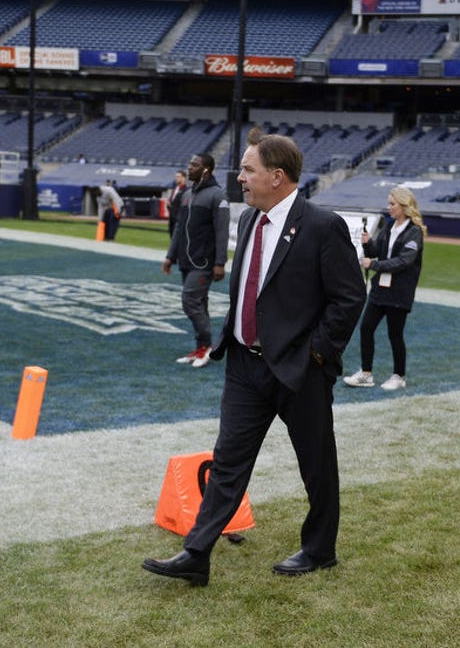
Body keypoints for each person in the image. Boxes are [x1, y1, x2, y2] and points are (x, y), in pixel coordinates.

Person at [142, 133, 366, 586]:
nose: (240, 178)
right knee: (228, 461)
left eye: (248, 170)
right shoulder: (249, 220)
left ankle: (320, 549)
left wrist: (317, 354)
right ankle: (196, 554)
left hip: (299, 369)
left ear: (276, 177)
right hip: (245, 364)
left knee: (317, 465)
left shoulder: (322, 226)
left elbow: (348, 299)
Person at [343, 186, 426, 392]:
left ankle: (399, 376)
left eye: (392, 204)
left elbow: (403, 262)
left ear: (404, 206)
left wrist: (374, 265)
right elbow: (377, 251)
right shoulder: (389, 226)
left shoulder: (414, 232)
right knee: (366, 328)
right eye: (388, 203)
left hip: (399, 292)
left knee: (394, 334)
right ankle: (366, 373)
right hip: (380, 289)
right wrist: (367, 243)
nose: (388, 208)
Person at [162, 155, 228, 368]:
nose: (190, 168)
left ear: (206, 170)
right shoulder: (187, 194)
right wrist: (170, 256)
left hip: (205, 263)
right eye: (190, 164)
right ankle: (201, 347)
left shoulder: (217, 195)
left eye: (194, 165)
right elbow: (179, 228)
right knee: (200, 303)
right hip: (185, 261)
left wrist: (220, 262)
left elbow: (222, 231)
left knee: (190, 300)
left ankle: (208, 346)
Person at [167, 170, 188, 238]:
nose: (176, 178)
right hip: (172, 217)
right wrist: (169, 203)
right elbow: (172, 202)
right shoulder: (175, 188)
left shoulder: (186, 190)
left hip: (179, 218)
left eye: (178, 177)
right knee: (171, 234)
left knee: (178, 237)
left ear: (183, 178)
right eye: (176, 176)